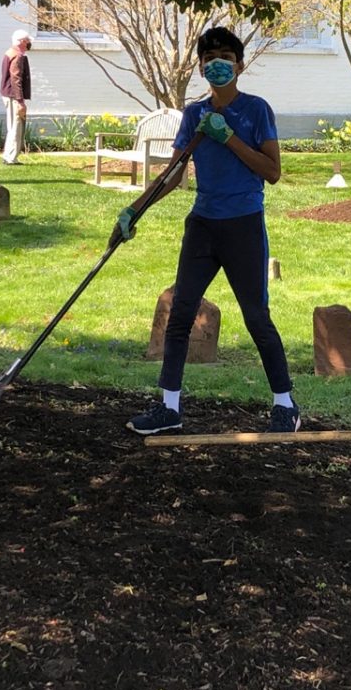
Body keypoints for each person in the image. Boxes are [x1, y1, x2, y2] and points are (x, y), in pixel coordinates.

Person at [114, 26, 299, 436]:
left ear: (240, 64)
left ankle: (285, 404)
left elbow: (272, 172)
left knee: (256, 317)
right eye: (209, 57)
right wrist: (133, 210)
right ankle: (169, 407)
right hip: (202, 225)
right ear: (200, 66)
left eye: (225, 57)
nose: (217, 64)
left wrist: (229, 137)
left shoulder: (256, 110)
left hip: (243, 225)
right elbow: (173, 174)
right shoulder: (195, 115)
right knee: (180, 316)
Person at [0, 29, 32, 165]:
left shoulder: (9, 53)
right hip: (13, 96)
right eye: (27, 41)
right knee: (15, 126)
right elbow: (16, 78)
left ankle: (8, 155)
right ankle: (11, 157)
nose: (29, 43)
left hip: (9, 94)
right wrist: (20, 100)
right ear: (22, 42)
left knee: (13, 125)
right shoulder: (17, 56)